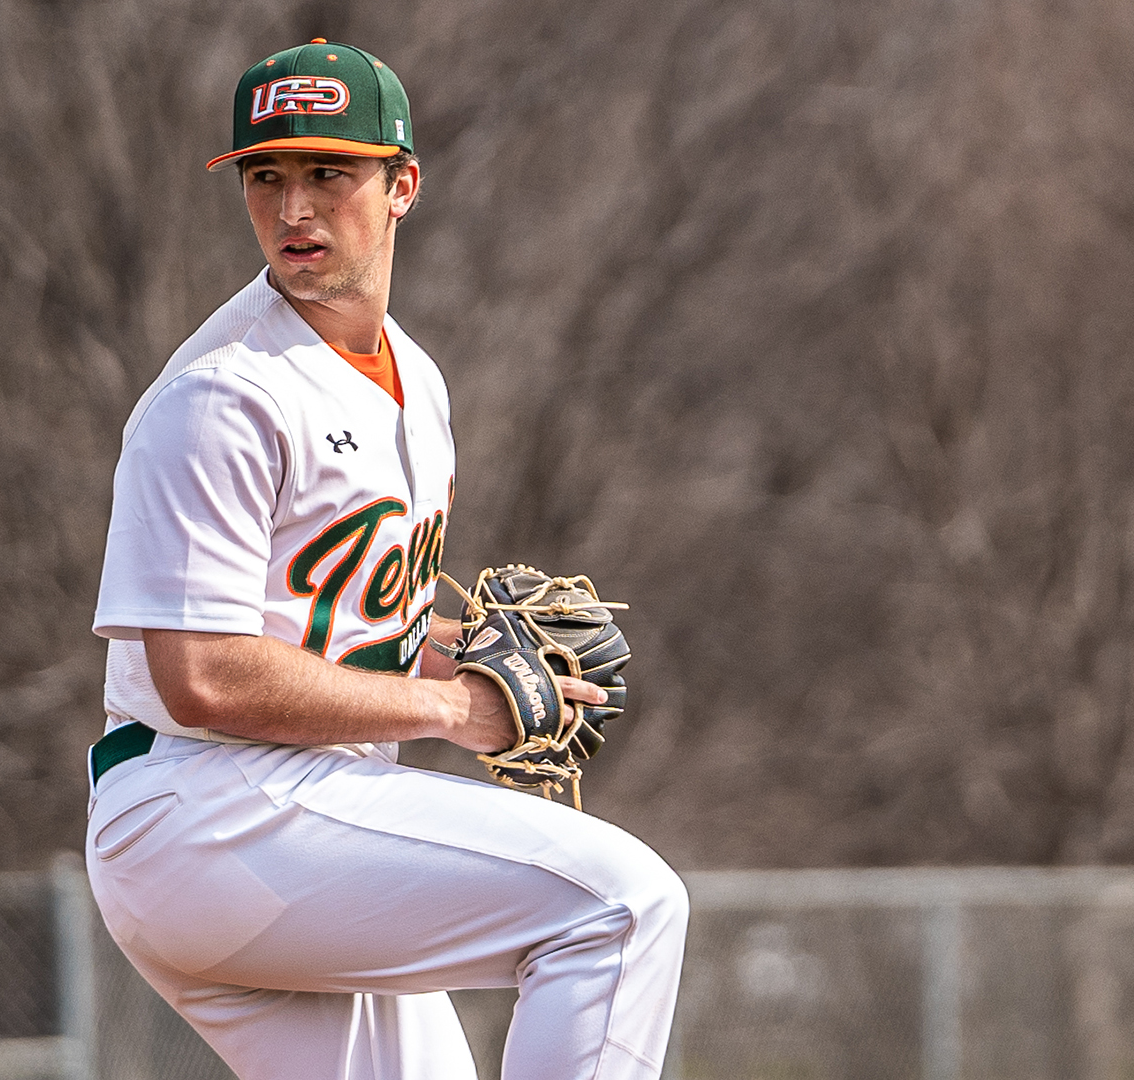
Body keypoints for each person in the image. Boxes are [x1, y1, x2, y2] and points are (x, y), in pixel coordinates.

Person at [85, 38, 689, 1080]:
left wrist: (477, 657)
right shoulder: (223, 396)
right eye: (265, 178)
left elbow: (355, 632)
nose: (293, 209)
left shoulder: (417, 379)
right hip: (206, 810)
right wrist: (456, 710)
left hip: (305, 815)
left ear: (402, 184)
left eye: (329, 172)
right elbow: (206, 673)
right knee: (621, 907)